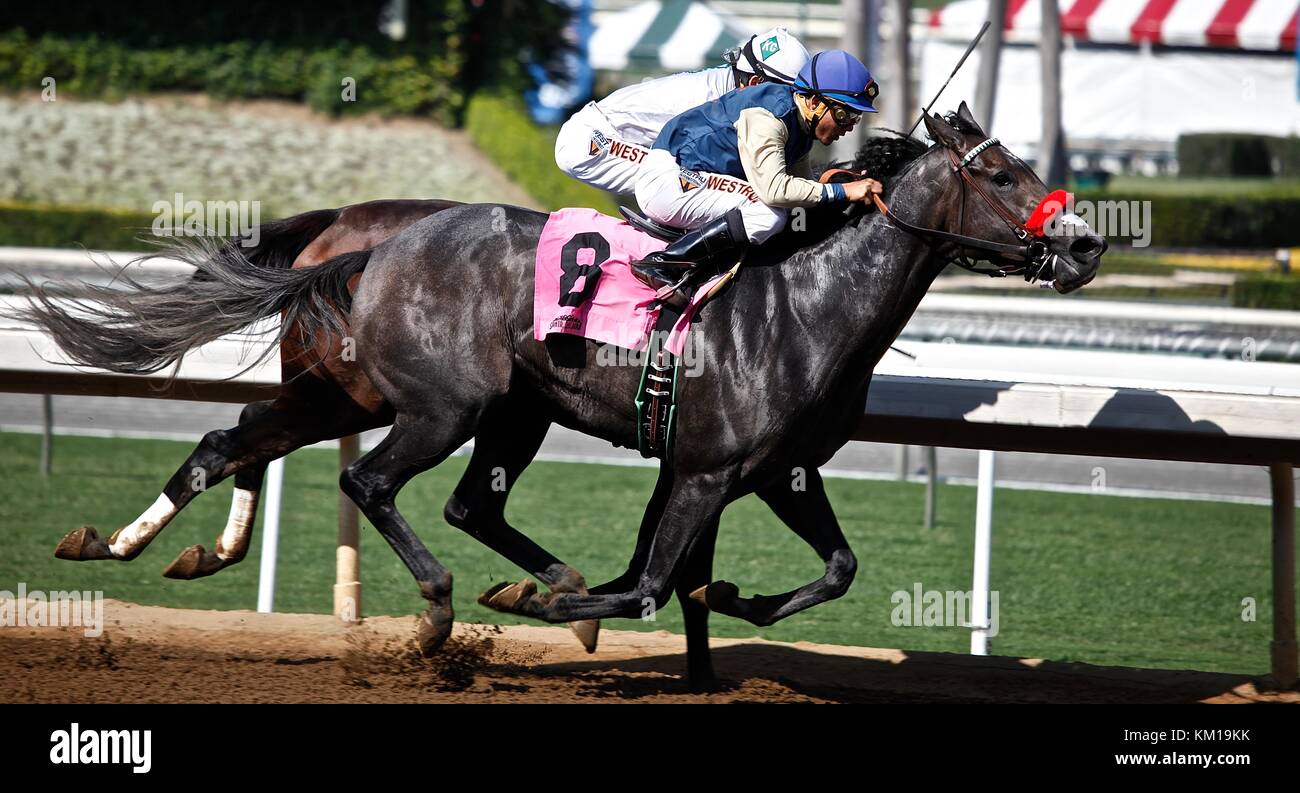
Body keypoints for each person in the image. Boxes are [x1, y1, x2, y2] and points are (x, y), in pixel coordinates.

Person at [631, 50, 885, 296]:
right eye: (844, 114)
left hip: (692, 178)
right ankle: (665, 264)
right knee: (769, 215)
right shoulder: (770, 116)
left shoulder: (801, 126)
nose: (849, 126)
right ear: (815, 102)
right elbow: (776, 191)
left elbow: (801, 191)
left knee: (793, 214)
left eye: (856, 117)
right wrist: (844, 191)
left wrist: (843, 187)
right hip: (670, 179)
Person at [554, 28, 812, 198]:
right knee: (739, 194)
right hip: (592, 142)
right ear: (755, 83)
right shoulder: (709, 97)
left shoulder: (733, 89)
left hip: (611, 135)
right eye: (791, 93)